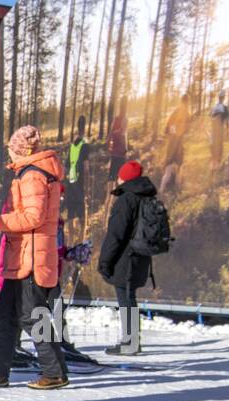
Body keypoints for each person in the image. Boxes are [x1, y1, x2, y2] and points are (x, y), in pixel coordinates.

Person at [0, 125, 68, 390]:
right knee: (6, 316)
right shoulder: (29, 173)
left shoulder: (33, 175)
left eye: (12, 149)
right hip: (21, 255)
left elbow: (34, 217)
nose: (10, 154)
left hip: (30, 257)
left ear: (21, 149)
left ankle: (55, 372)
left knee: (32, 315)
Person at [98, 160, 158, 356]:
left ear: (124, 178)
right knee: (129, 298)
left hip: (125, 257)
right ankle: (131, 340)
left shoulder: (126, 199)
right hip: (140, 255)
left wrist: (105, 261)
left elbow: (116, 234)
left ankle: (130, 342)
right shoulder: (147, 197)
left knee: (126, 299)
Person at [64, 115, 90, 243]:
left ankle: (69, 243)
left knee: (70, 214)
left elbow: (66, 166)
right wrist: (88, 185)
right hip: (80, 184)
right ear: (84, 127)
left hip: (71, 183)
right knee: (82, 216)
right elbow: (86, 168)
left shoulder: (72, 145)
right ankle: (80, 243)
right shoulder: (85, 145)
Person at [209, 92, 229, 175]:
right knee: (219, 149)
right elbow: (227, 121)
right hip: (220, 132)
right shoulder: (225, 108)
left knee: (213, 149)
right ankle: (217, 167)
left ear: (219, 98)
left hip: (213, 131)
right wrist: (228, 130)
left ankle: (212, 168)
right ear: (224, 98)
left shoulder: (214, 107)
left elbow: (210, 118)